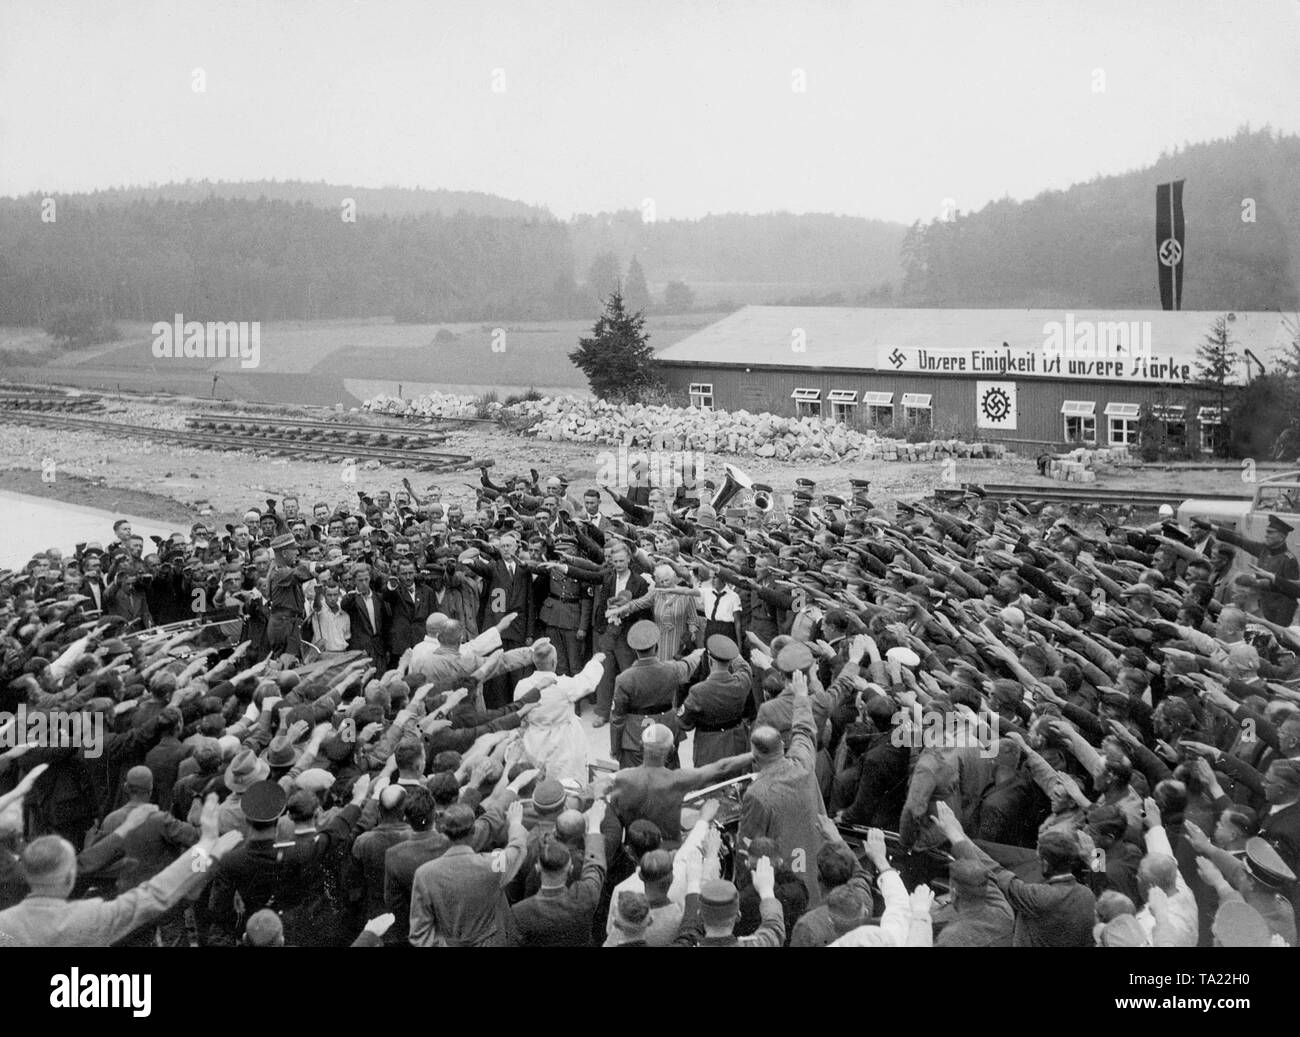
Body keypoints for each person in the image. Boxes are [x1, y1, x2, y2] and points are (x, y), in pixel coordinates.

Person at [0, 795, 240, 947]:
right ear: (70, 877)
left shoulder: (4, 925)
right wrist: (207, 847)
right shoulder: (93, 917)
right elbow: (158, 892)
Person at [738, 647, 826, 906]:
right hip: (812, 854)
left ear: (755, 752)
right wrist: (800, 696)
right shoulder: (802, 762)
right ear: (781, 746)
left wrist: (743, 891)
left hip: (781, 873)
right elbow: (804, 729)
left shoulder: (756, 794)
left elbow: (748, 844)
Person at [408, 800, 527, 947]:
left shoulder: (424, 874)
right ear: (473, 832)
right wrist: (515, 824)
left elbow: (419, 935)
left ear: (444, 833)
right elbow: (517, 849)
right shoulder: (492, 865)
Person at [512, 799, 607, 946]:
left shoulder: (520, 913)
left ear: (538, 868)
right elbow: (595, 867)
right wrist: (594, 826)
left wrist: (515, 825)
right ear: (569, 869)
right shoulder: (585, 896)